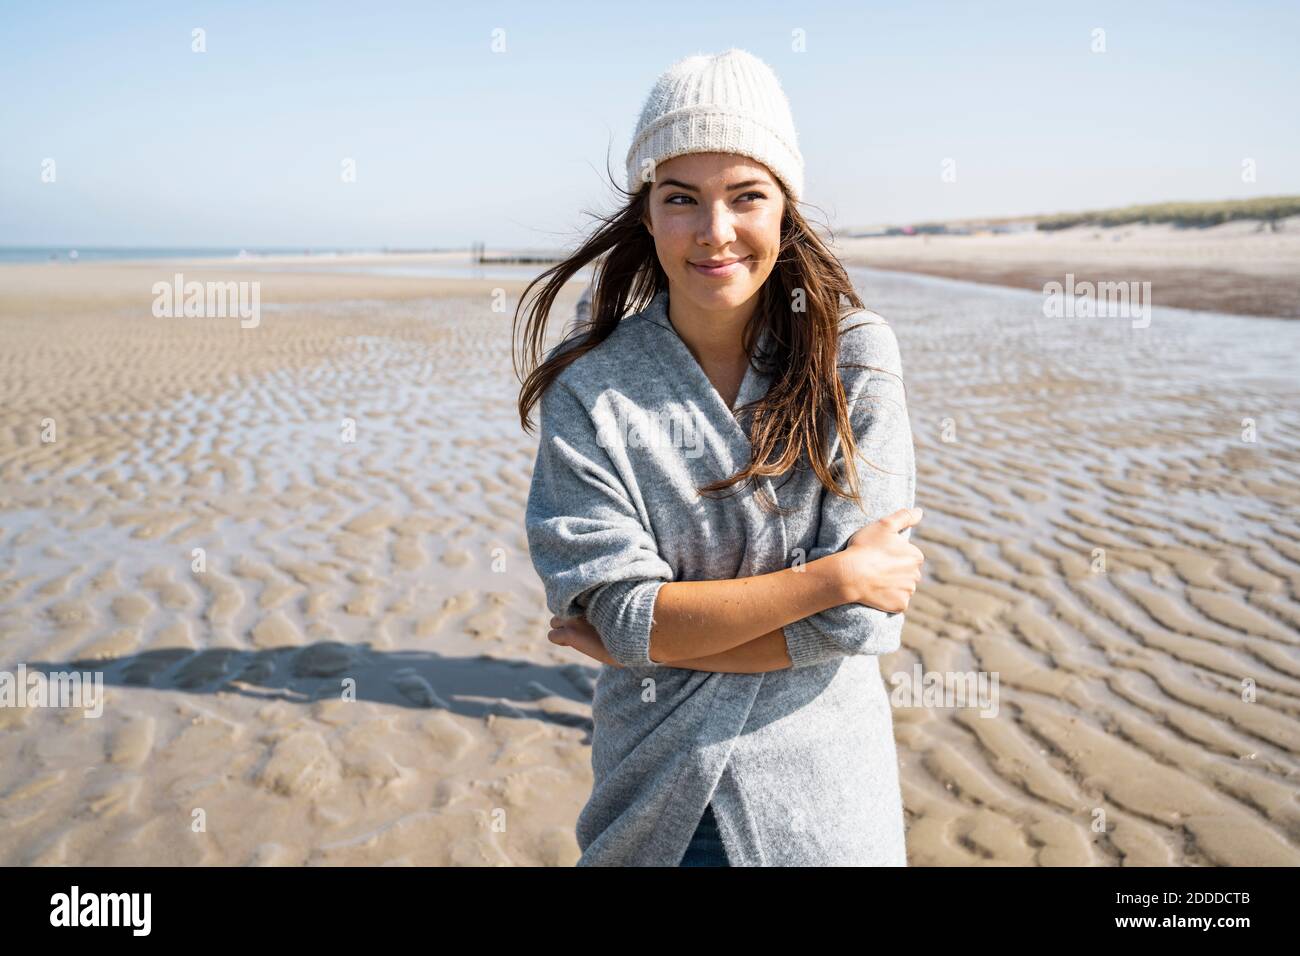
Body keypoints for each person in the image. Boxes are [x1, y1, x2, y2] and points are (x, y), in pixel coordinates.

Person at [516, 48, 924, 866]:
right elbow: (622, 616)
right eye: (681, 199)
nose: (714, 232)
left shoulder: (855, 359)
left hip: (824, 804)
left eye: (746, 196)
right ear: (646, 213)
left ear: (785, 207)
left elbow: (860, 627)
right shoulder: (591, 387)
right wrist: (828, 578)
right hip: (655, 799)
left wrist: (663, 635)